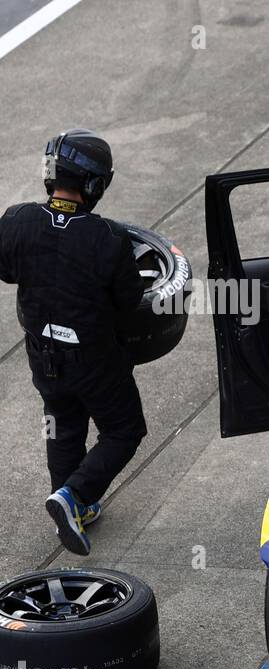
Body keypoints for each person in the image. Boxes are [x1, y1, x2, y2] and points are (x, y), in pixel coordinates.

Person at [0, 130, 146, 556]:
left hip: (42, 355)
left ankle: (68, 506)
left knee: (62, 423)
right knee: (124, 430)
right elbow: (130, 300)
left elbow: (7, 270)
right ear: (95, 184)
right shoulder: (110, 238)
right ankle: (74, 495)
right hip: (95, 359)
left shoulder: (16, 221)